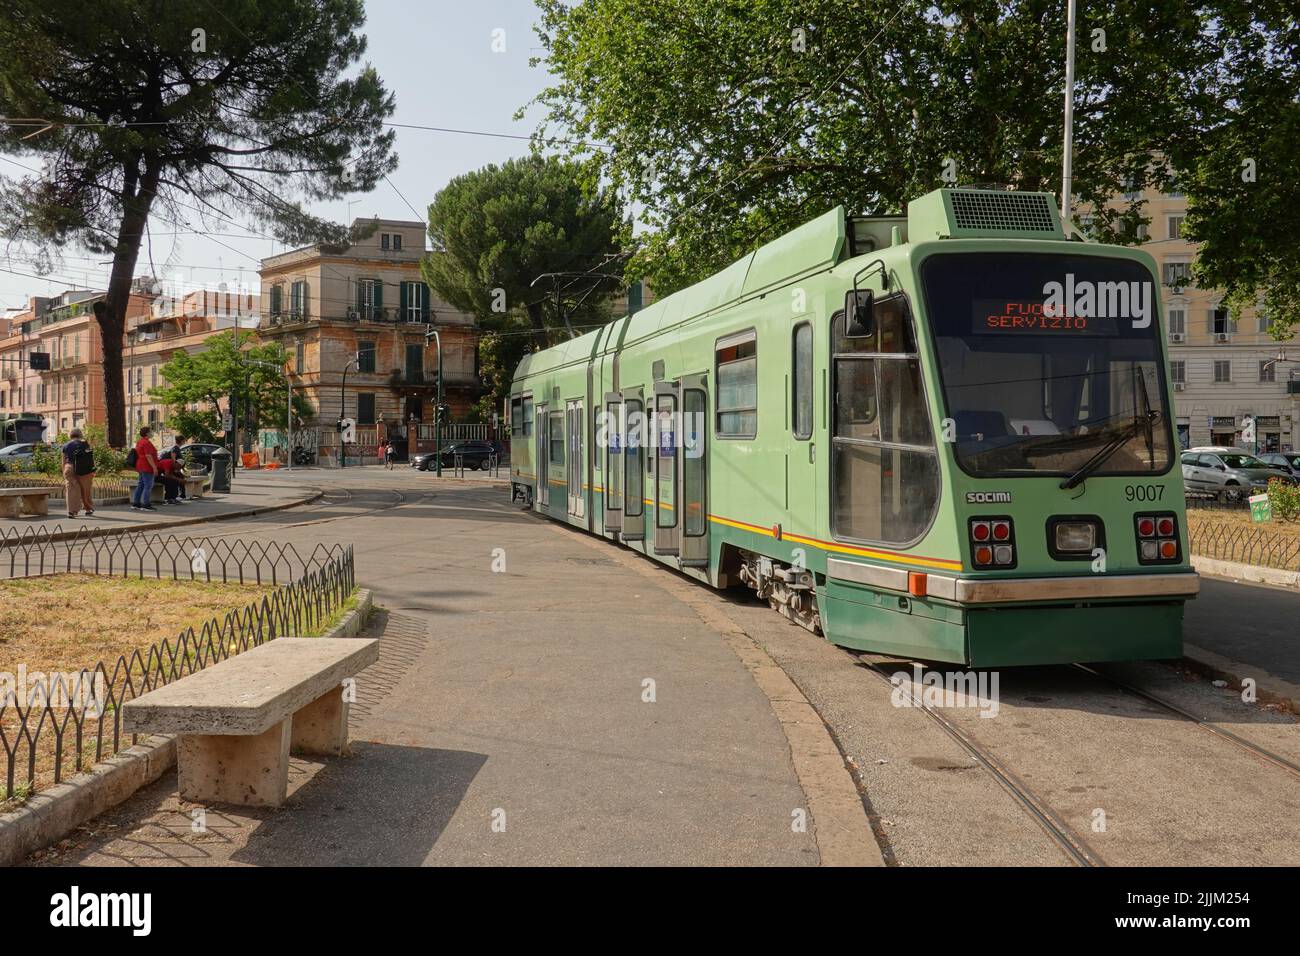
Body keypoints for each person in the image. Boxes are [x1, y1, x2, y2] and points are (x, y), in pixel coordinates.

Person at [61, 427, 95, 518]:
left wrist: (63, 471)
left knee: (71, 490)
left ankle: (72, 511)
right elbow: (90, 457)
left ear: (71, 435)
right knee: (85, 489)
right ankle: (88, 508)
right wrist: (92, 470)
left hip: (69, 467)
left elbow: (63, 461)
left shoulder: (66, 445)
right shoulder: (85, 444)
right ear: (80, 435)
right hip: (84, 468)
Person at [131, 426, 160, 511]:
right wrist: (154, 467)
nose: (152, 433)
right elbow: (148, 455)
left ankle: (136, 503)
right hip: (147, 466)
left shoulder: (140, 441)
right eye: (151, 431)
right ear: (147, 433)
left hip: (140, 465)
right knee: (148, 485)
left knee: (141, 484)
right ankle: (146, 504)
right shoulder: (147, 443)